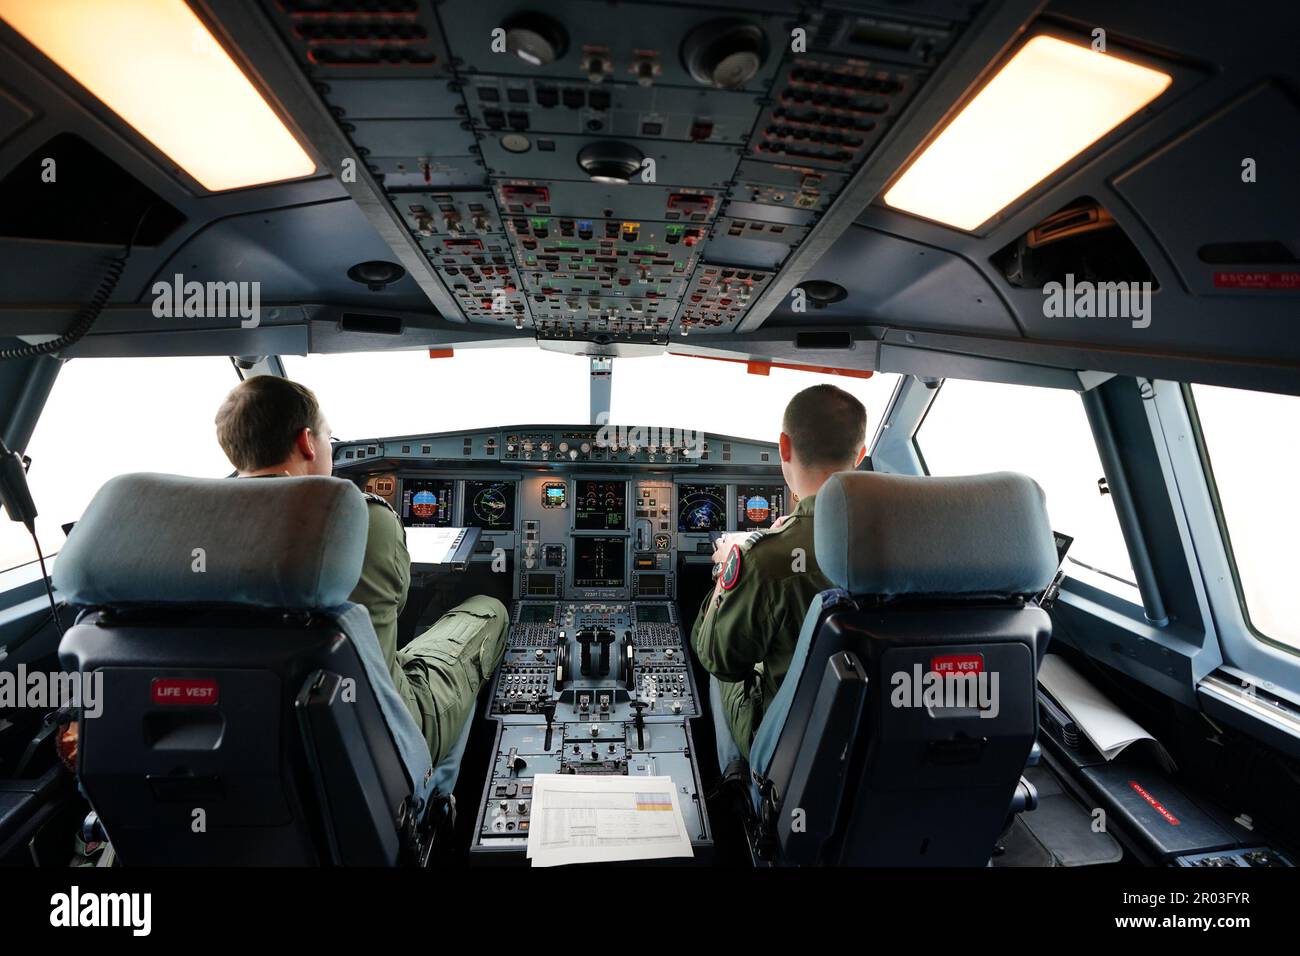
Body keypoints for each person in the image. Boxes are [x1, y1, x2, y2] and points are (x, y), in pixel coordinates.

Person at [214, 375, 507, 766]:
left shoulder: (196, 527)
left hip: (250, 727)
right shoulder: (357, 518)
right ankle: (436, 787)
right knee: (489, 607)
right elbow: (398, 602)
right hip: (385, 726)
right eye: (327, 438)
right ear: (306, 442)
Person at [691, 383, 867, 764]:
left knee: (721, 662)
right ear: (861, 454)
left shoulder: (766, 559)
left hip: (796, 747)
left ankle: (740, 788)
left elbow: (719, 658)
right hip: (876, 734)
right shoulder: (914, 539)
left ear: (783, 447)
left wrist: (727, 570)